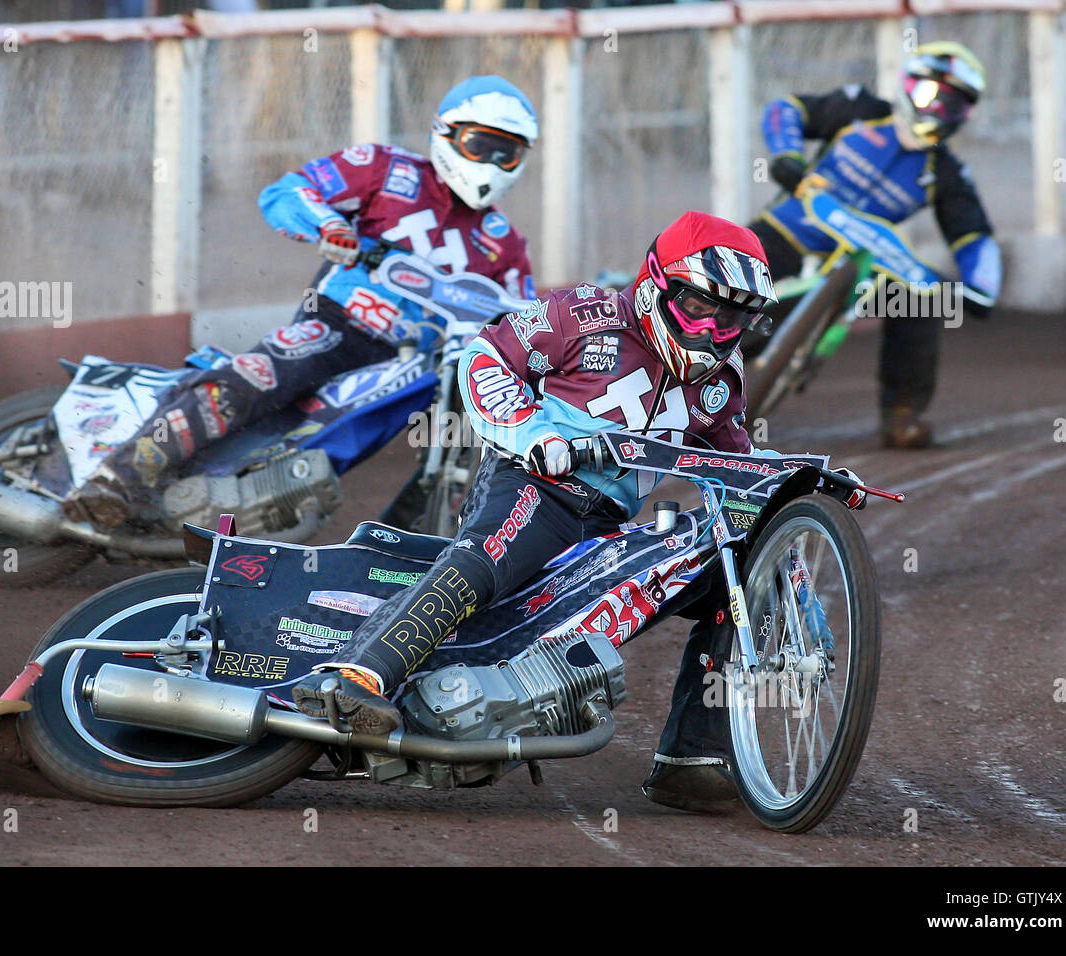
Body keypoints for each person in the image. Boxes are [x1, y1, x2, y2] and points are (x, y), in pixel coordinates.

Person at [292, 211, 855, 813]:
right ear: (657, 284)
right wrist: (531, 431)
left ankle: (693, 757)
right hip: (534, 483)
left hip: (607, 524)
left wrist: (791, 486)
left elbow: (732, 461)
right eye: (702, 305)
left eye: (737, 316)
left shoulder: (725, 373)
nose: (717, 329)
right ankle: (356, 677)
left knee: (731, 569)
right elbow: (486, 359)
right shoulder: (583, 313)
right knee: (486, 559)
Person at [64, 75, 538, 528]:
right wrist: (330, 226)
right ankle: (119, 477)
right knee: (257, 375)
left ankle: (404, 547)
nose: (492, 163)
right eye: (481, 145)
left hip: (418, 368)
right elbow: (288, 191)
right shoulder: (385, 168)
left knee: (402, 442)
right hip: (338, 326)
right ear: (446, 133)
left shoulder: (505, 243)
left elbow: (522, 324)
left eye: (508, 153)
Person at [753, 41, 1001, 449]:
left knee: (920, 298)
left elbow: (974, 236)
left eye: (952, 106)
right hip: (787, 231)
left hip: (864, 265)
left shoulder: (947, 170)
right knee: (723, 269)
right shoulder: (859, 109)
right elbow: (788, 108)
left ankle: (903, 414)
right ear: (907, 85)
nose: (937, 110)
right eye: (930, 94)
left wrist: (980, 288)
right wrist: (785, 156)